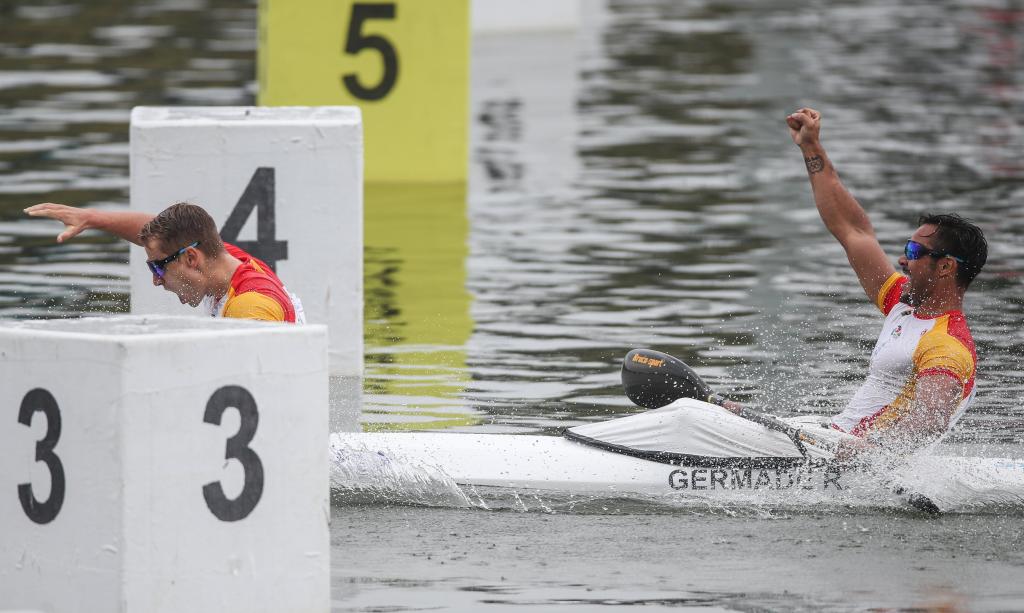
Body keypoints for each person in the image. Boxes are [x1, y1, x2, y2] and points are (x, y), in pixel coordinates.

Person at [786, 107, 988, 457]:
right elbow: (853, 231)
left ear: (945, 268)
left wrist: (867, 452)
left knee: (688, 416)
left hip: (852, 460)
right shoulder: (901, 303)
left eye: (914, 250)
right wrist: (811, 148)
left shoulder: (947, 344)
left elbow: (929, 420)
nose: (902, 260)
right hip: (832, 444)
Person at [25, 202, 304, 324]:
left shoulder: (250, 308)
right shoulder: (223, 258)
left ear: (191, 258)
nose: (156, 279)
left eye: (158, 267)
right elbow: (155, 234)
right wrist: (93, 219)